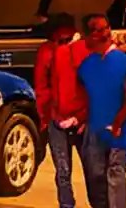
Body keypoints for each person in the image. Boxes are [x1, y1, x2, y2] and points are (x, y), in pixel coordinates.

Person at [76, 13, 126, 208]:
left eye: (105, 28)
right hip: (95, 130)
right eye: (98, 29)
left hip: (119, 131)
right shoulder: (86, 66)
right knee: (96, 178)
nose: (104, 32)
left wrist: (117, 123)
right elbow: (82, 96)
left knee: (115, 175)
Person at [33, 13, 96, 208]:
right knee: (90, 169)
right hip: (76, 119)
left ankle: (68, 205)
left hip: (61, 119)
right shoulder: (84, 49)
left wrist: (44, 117)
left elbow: (42, 87)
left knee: (64, 171)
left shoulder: (48, 51)